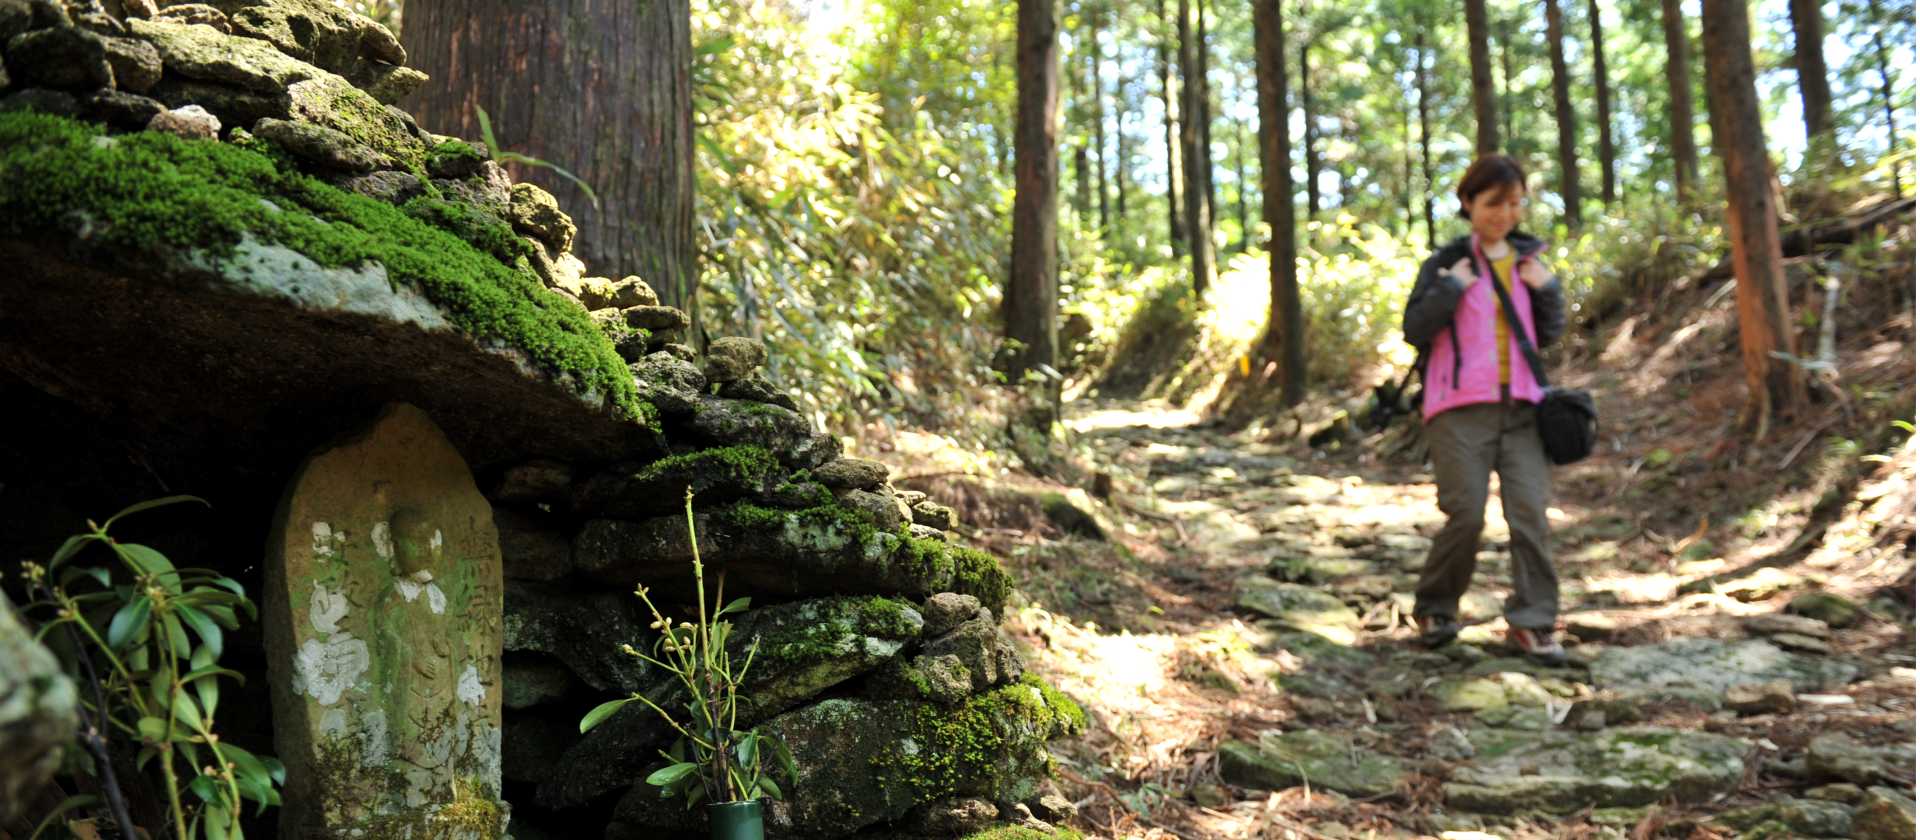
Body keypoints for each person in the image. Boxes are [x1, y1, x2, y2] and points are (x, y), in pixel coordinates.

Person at [1400, 155, 1569, 665]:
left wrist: (1549, 291)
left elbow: (1550, 333)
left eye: (1515, 203)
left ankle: (1533, 621)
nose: (1505, 214)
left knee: (1530, 515)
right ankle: (1436, 606)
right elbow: (1414, 329)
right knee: (1466, 514)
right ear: (1469, 202)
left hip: (1523, 408)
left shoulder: (1529, 261)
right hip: (1457, 409)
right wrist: (1451, 288)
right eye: (1494, 202)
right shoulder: (1445, 263)